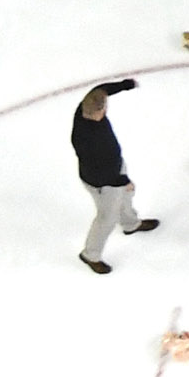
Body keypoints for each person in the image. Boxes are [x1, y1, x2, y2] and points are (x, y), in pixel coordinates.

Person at [72, 79, 159, 273]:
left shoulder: (83, 110)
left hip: (114, 171)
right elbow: (103, 173)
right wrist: (123, 182)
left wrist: (123, 85)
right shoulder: (88, 142)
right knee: (107, 217)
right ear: (98, 112)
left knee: (125, 198)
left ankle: (130, 224)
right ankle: (90, 254)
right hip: (102, 182)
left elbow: (100, 90)